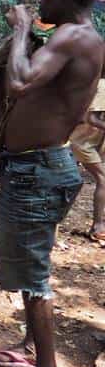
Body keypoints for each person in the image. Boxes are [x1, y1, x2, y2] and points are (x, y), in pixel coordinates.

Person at [0, 0, 104, 367]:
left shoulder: (72, 36)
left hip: (39, 170)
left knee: (33, 272)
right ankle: (30, 348)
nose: (40, 1)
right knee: (30, 262)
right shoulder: (84, 38)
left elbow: (20, 81)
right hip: (38, 167)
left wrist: (19, 29)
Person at [69, 74, 105, 243]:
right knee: (102, 179)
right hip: (82, 142)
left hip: (87, 141)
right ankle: (97, 226)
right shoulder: (103, 85)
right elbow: (91, 119)